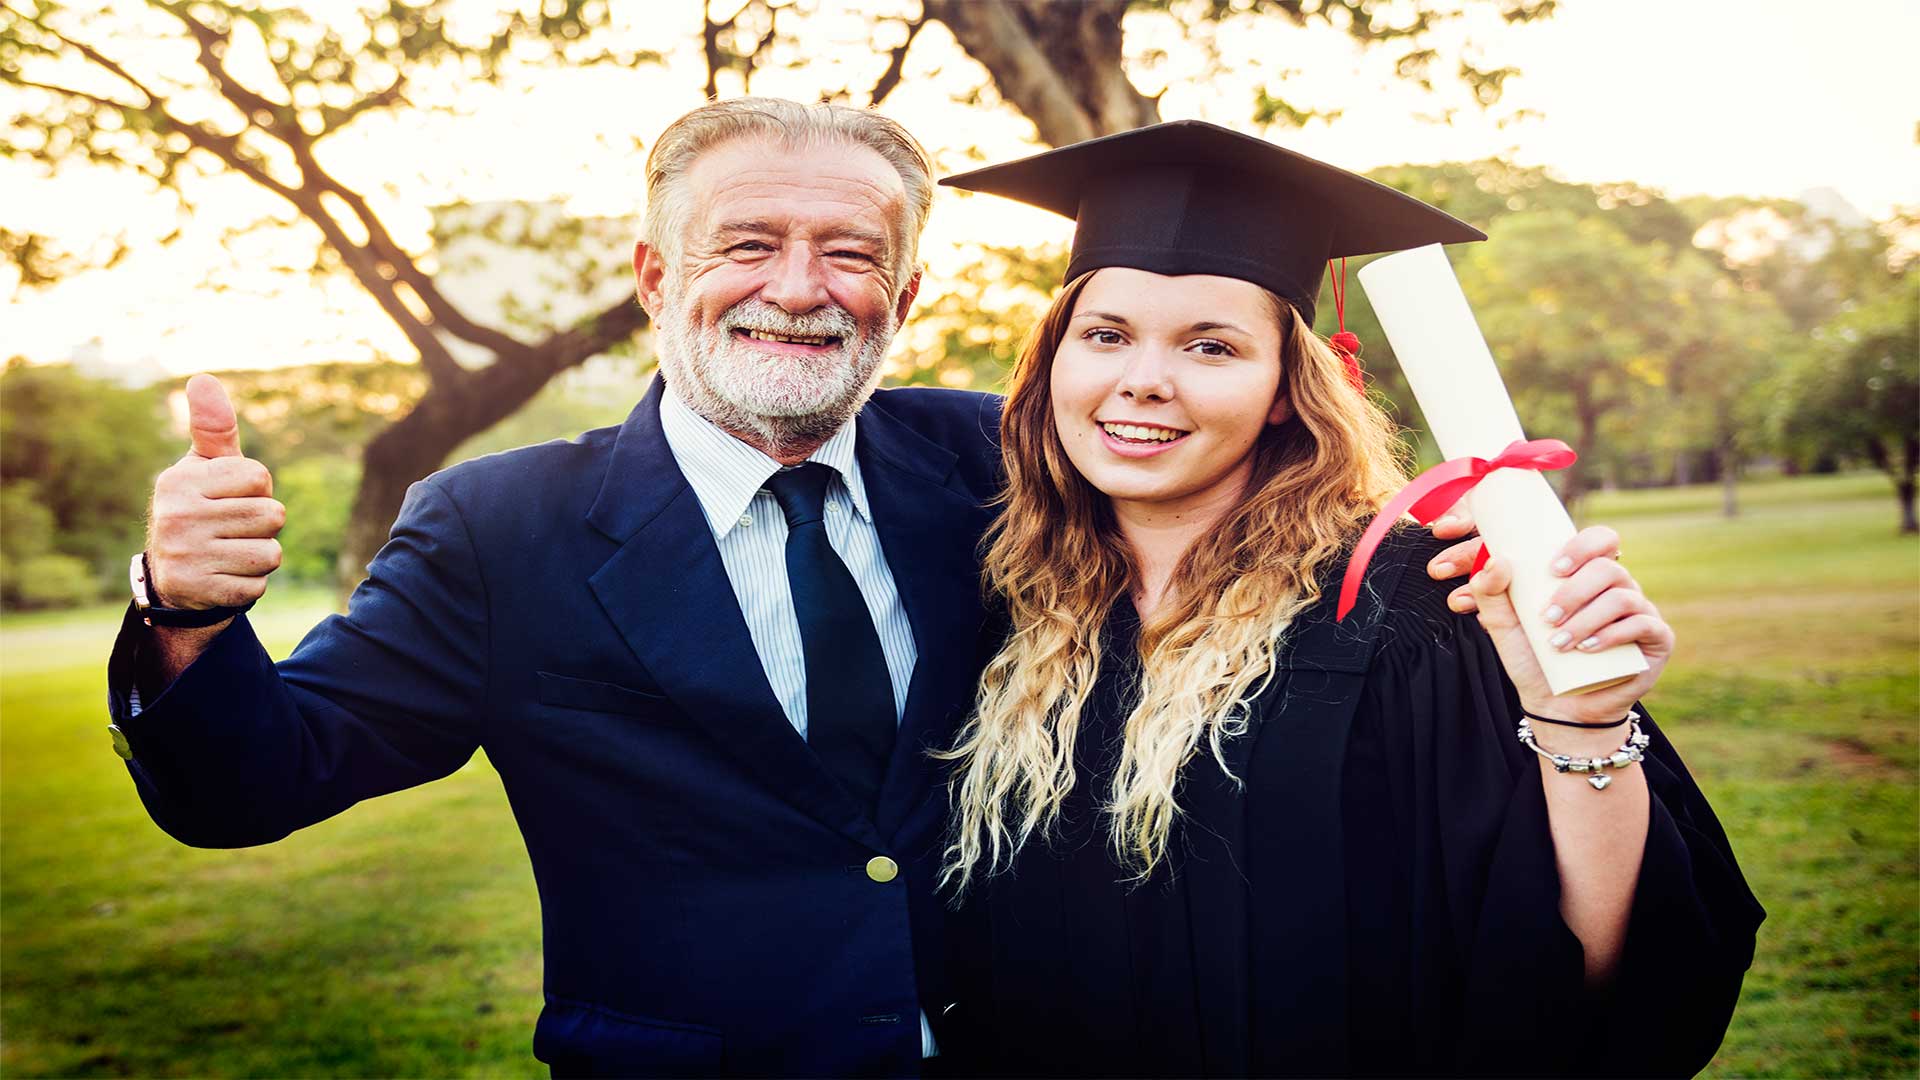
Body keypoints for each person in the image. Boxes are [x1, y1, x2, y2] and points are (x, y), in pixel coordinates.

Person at [112, 97, 1002, 1078]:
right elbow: (247, 787)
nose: (797, 289)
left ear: (906, 296)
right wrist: (183, 607)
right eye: (747, 244)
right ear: (657, 279)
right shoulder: (495, 529)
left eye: (850, 252)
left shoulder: (1001, 463)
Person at [934, 121, 1765, 1077]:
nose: (1144, 381)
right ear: (1052, 364)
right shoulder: (1004, 604)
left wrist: (1579, 719)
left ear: (1287, 387)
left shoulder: (1422, 600)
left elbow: (1603, 969)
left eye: (1212, 347)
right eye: (1106, 335)